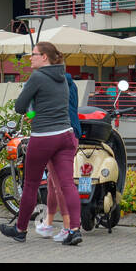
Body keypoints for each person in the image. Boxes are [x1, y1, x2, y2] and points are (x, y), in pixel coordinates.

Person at [0, 42, 83, 246]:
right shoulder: (63, 77)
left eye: (34, 54)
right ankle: (75, 229)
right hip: (65, 135)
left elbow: (20, 107)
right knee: (67, 184)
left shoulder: (37, 77)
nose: (30, 57)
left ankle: (20, 230)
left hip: (44, 136)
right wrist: (35, 109)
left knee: (30, 184)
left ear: (44, 57)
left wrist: (32, 110)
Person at [36, 64, 82, 242]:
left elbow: (43, 111)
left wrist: (32, 115)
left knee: (60, 184)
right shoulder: (71, 83)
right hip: (73, 134)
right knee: (52, 182)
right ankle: (48, 223)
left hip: (56, 133)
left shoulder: (50, 84)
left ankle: (68, 227)